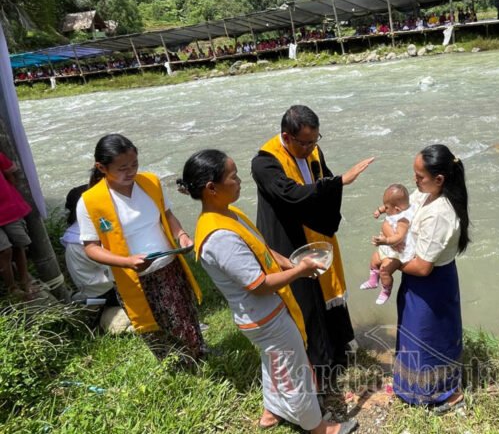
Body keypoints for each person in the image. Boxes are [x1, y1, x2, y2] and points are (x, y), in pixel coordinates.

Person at [179, 149, 358, 434]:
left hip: (263, 314)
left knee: (274, 360)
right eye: (233, 176)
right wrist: (299, 272)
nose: (239, 181)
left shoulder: (227, 214)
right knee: (292, 370)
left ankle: (271, 411)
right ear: (211, 188)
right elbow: (258, 285)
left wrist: (288, 261)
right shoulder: (219, 237)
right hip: (263, 315)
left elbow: (259, 247)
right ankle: (318, 427)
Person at [251, 105, 374, 383]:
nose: (310, 148)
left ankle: (339, 352)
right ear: (286, 136)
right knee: (306, 301)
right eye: (304, 142)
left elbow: (324, 181)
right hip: (288, 237)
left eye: (315, 140)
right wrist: (341, 181)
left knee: (328, 293)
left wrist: (334, 185)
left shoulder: (314, 151)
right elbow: (289, 194)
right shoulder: (264, 162)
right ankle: (318, 367)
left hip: (317, 232)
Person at [76, 134, 205, 365]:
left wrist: (182, 235)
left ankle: (198, 354)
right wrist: (127, 262)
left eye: (134, 164)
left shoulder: (150, 183)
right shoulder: (90, 202)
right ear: (101, 167)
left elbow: (167, 215)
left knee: (183, 315)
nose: (131, 172)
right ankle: (174, 367)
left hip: (168, 267)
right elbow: (91, 247)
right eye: (122, 168)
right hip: (132, 276)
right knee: (151, 324)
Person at [393, 144, 470, 414]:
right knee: (415, 333)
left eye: (420, 176)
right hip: (419, 277)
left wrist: (392, 262)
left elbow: (424, 267)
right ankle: (414, 388)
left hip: (432, 282)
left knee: (430, 337)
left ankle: (448, 394)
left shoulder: (441, 213)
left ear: (439, 180)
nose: (415, 180)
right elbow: (407, 211)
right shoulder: (425, 194)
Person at [61, 184, 117, 306]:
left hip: (97, 288)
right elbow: (114, 266)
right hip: (103, 292)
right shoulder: (83, 238)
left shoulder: (77, 229)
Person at [359, 184, 414, 305]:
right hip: (388, 246)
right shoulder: (396, 208)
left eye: (386, 208)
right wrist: (379, 210)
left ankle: (386, 290)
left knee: (384, 271)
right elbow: (388, 206)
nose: (385, 209)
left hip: (397, 252)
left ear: (397, 210)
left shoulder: (403, 220)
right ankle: (373, 281)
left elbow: (399, 237)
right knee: (374, 260)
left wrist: (386, 241)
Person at [0, 151, 36, 300]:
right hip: (9, 207)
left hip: (9, 209)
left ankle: (24, 280)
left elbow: (10, 175)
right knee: (4, 251)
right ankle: (12, 287)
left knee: (19, 244)